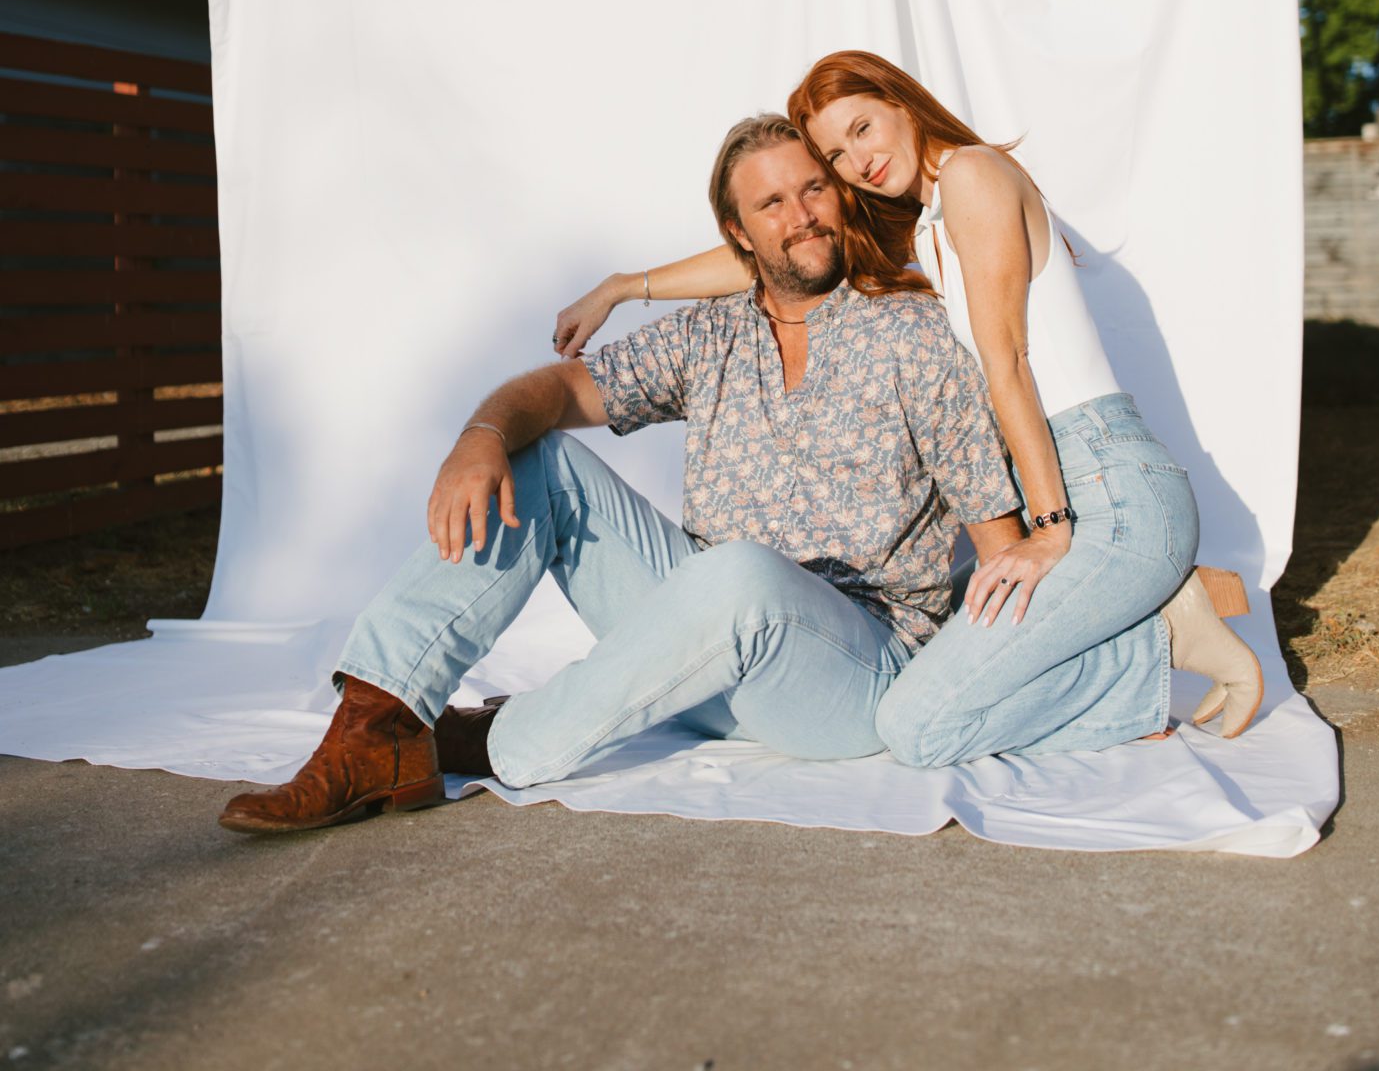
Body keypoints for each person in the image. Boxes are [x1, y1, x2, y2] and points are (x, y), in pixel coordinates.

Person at [218, 113, 1024, 835]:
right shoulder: (710, 333)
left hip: (847, 677)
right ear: (737, 234)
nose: (802, 214)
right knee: (546, 458)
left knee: (740, 572)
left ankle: (501, 741)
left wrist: (1070, 689)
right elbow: (564, 388)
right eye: (771, 203)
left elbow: (1001, 552)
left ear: (840, 199)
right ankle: (376, 724)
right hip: (699, 656)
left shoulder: (913, 335)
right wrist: (481, 434)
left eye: (813, 188)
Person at [554, 51, 1263, 766]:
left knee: (919, 728)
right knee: (922, 689)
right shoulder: (927, 218)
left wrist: (1047, 530)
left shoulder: (971, 176)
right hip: (1059, 480)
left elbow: (1007, 363)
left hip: (1106, 488)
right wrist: (621, 286)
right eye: (836, 153)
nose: (857, 161)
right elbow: (770, 248)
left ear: (901, 102)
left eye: (862, 128)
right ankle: (1143, 615)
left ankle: (1154, 642)